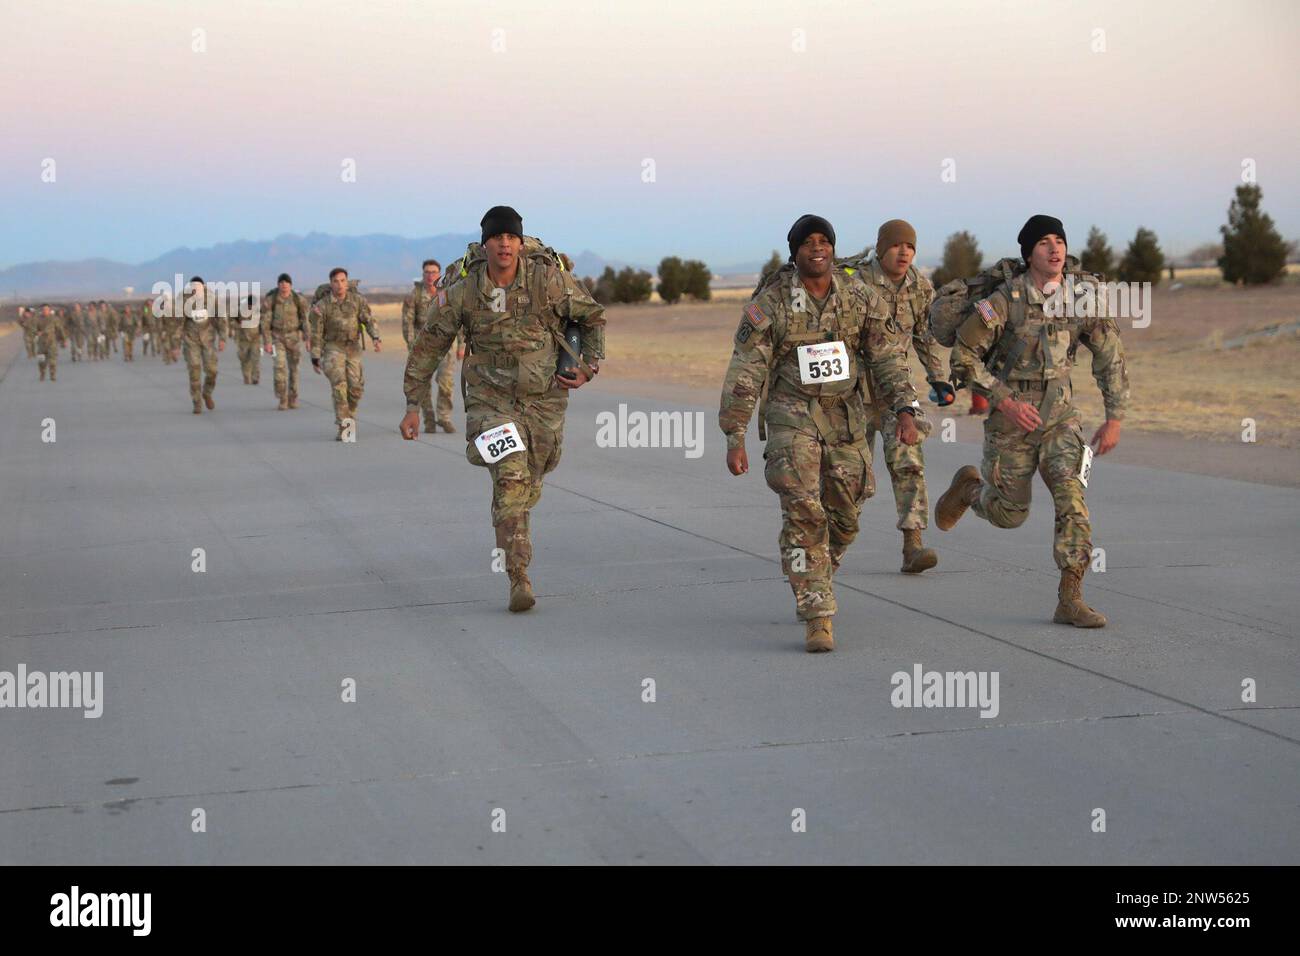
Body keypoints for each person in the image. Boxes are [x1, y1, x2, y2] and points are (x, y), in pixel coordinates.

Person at [720, 214, 922, 652]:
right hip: (792, 415)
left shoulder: (858, 295)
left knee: (846, 515)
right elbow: (746, 370)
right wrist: (735, 433)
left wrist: (906, 407)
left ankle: (811, 570)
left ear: (832, 248)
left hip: (847, 415)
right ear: (795, 252)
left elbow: (887, 357)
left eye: (823, 241)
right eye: (808, 242)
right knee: (804, 509)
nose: (817, 248)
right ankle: (817, 611)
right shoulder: (771, 302)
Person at [399, 206, 606, 612]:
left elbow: (593, 317)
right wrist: (412, 403)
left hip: (544, 397)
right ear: (486, 243)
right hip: (489, 401)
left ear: (519, 242)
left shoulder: (547, 279)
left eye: (511, 237)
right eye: (497, 237)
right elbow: (429, 345)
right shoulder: (464, 289)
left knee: (533, 475)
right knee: (510, 477)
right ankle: (519, 576)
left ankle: (516, 529)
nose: (505, 244)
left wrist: (589, 367)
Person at [936, 215, 1130, 627]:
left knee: (1071, 497)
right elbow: (964, 358)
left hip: (1061, 416)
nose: (1055, 249)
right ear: (1028, 253)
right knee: (1010, 514)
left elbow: (1110, 358)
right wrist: (1004, 402)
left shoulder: (1081, 298)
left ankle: (1070, 597)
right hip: (1011, 420)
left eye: (1059, 240)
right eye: (1044, 242)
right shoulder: (1002, 301)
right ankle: (970, 489)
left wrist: (1115, 418)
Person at [311, 267, 380, 439]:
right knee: (340, 386)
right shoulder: (322, 305)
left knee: (356, 388)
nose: (340, 285)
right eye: (336, 281)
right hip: (333, 348)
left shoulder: (357, 300)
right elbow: (316, 332)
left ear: (347, 283)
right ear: (331, 284)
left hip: (353, 348)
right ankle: (345, 427)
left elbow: (368, 320)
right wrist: (315, 356)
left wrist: (376, 338)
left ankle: (350, 414)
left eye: (343, 281)